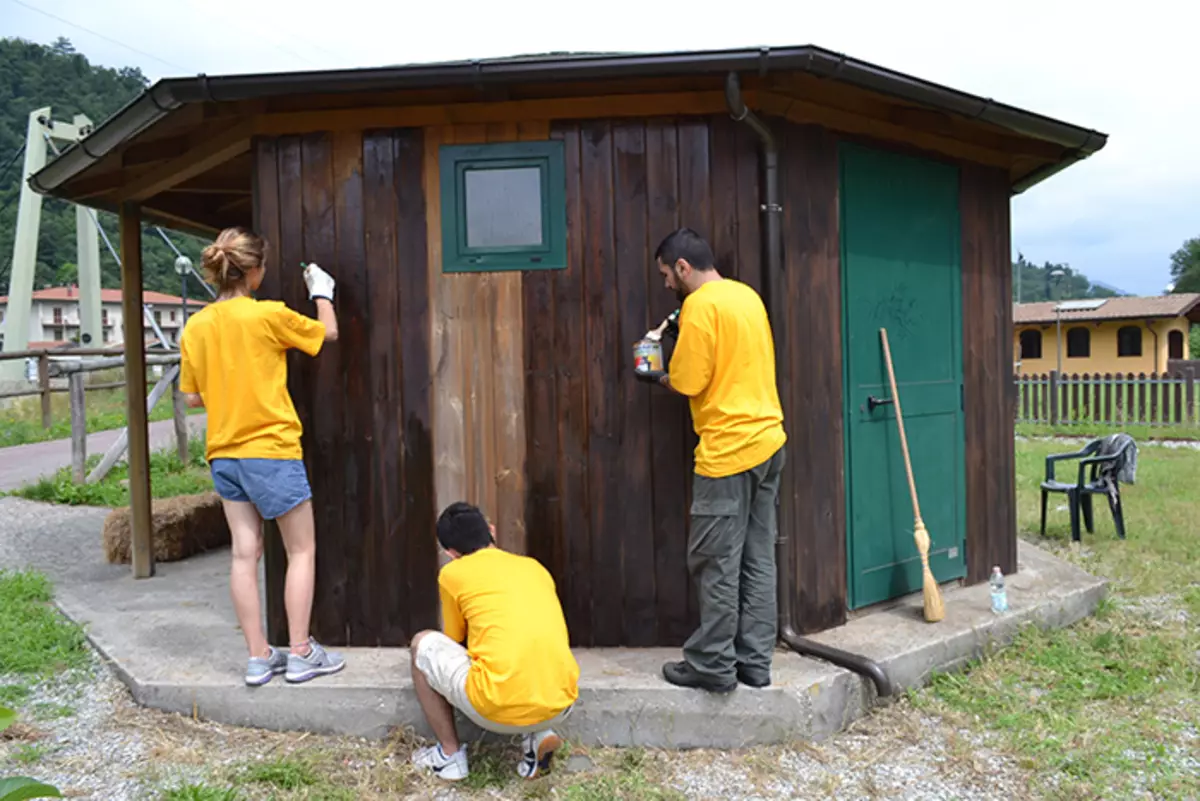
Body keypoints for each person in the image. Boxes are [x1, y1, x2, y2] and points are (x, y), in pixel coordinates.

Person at [178, 226, 346, 686]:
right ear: (253, 272)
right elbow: (327, 333)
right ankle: (300, 652)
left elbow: (192, 398)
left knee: (242, 555)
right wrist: (322, 292)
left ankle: (257, 658)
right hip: (270, 450)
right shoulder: (268, 315)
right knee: (301, 550)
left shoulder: (196, 326)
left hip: (224, 455)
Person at [636, 227, 787, 693]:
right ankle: (754, 663)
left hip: (728, 451)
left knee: (716, 562)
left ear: (683, 267)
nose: (665, 284)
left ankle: (713, 666)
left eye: (666, 274)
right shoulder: (746, 296)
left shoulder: (701, 307)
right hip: (768, 441)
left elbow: (687, 382)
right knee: (759, 558)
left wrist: (653, 372)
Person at [409, 502, 579, 782]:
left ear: (451, 554)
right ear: (491, 531)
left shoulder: (453, 574)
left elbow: (453, 639)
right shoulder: (534, 567)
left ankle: (449, 755)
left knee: (421, 644)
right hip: (562, 704)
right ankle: (537, 736)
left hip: (494, 710)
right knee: (528, 648)